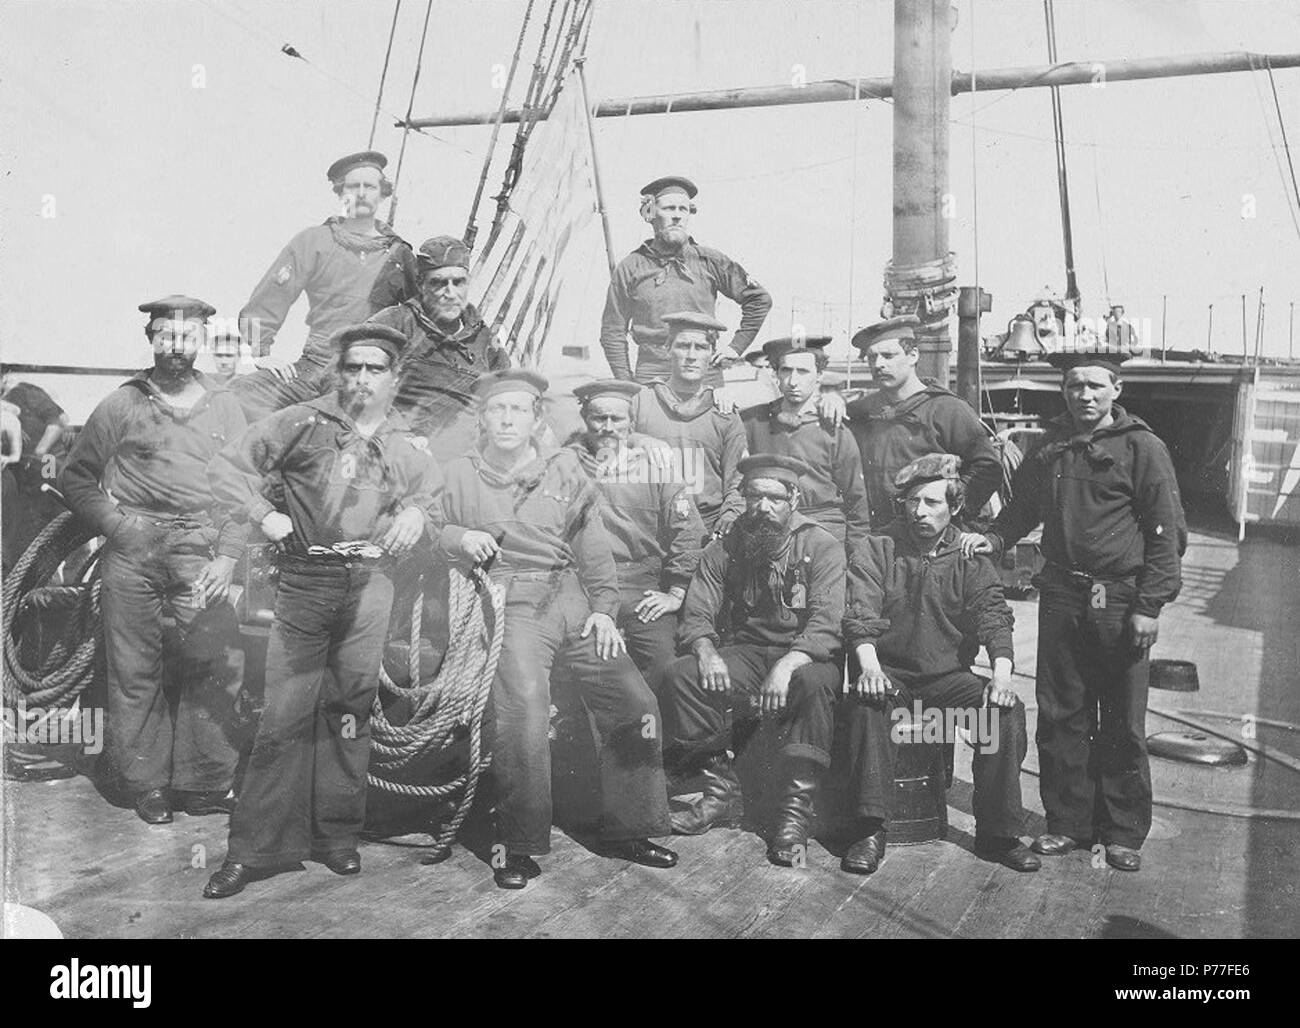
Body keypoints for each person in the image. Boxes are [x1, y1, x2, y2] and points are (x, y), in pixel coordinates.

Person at [203, 323, 444, 898]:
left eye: (374, 369)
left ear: (394, 378)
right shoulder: (301, 422)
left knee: (349, 708)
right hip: (306, 580)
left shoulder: (406, 443)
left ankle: (336, 835)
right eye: (353, 368)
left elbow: (431, 494)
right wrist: (265, 515)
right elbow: (226, 471)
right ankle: (256, 848)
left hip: (370, 585)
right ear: (339, 373)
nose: (362, 379)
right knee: (285, 711)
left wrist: (418, 514)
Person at [440, 368, 677, 889]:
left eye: (517, 410)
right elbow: (429, 525)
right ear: (482, 418)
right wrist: (458, 536)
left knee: (635, 702)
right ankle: (518, 844)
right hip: (511, 600)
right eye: (497, 409)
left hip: (572, 597)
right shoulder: (460, 472)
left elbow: (592, 547)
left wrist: (603, 609)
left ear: (535, 418)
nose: (506, 419)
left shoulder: (563, 469)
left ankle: (630, 827)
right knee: (524, 708)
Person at [962, 358, 1185, 873]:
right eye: (1073, 386)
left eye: (1094, 385)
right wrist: (994, 538)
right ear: (1063, 391)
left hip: (1120, 597)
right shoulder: (1051, 445)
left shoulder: (1142, 448)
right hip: (1063, 592)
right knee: (1062, 710)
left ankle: (1123, 830)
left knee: (1122, 718)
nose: (1083, 395)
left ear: (1116, 388)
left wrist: (1150, 606)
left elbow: (1166, 532)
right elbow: (1022, 509)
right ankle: (1068, 823)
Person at [58, 295, 247, 824]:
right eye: (165, 335)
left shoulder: (226, 407)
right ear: (151, 340)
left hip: (198, 548)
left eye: (186, 337)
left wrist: (228, 557)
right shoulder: (122, 403)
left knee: (216, 660)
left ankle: (205, 782)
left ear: (202, 342)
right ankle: (148, 786)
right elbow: (76, 475)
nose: (176, 346)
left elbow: (244, 488)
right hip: (134, 550)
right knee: (135, 668)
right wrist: (118, 526)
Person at [839, 453, 1038, 876]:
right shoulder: (878, 548)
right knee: (866, 707)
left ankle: (998, 833)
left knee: (1003, 713)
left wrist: (1001, 676)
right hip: (890, 679)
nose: (920, 512)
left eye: (932, 503)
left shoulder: (969, 556)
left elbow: (993, 617)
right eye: (913, 502)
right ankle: (872, 829)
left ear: (955, 507)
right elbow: (860, 613)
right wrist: (870, 668)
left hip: (947, 685)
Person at [660, 454, 846, 867]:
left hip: (805, 656)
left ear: (794, 498)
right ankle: (719, 794)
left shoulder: (822, 545)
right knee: (681, 674)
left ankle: (794, 819)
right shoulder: (725, 546)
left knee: (814, 684)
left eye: (774, 498)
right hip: (747, 652)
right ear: (743, 498)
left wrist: (787, 664)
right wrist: (706, 651)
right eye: (754, 497)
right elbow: (698, 613)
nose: (763, 508)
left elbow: (826, 623)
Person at [231, 150, 414, 421]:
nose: (361, 194)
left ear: (383, 193)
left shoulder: (400, 255)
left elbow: (420, 316)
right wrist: (259, 351)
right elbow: (271, 295)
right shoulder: (315, 241)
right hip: (313, 364)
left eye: (370, 186)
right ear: (341, 193)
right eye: (353, 186)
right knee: (233, 396)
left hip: (365, 369)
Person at [568, 378, 705, 695]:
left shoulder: (655, 467)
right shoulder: (567, 466)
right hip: (583, 586)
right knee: (585, 663)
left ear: (631, 423)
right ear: (585, 421)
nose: (607, 427)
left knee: (664, 665)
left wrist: (677, 592)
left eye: (616, 419)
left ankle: (653, 740)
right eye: (598, 418)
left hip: (642, 585)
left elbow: (688, 531)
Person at [600, 176, 771, 387]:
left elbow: (759, 299)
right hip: (652, 373)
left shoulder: (710, 261)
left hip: (704, 372)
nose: (677, 217)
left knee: (712, 419)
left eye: (683, 210)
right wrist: (626, 384)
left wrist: (736, 347)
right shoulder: (631, 267)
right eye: (669, 209)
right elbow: (612, 331)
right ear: (650, 213)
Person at [847, 315, 1001, 528]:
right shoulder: (862, 411)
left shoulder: (947, 409)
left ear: (912, 355)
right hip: (884, 533)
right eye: (872, 358)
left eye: (888, 355)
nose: (878, 364)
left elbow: (988, 468)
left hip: (937, 533)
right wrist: (831, 400)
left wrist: (952, 508)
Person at [367, 234, 511, 460]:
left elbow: (507, 401)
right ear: (421, 284)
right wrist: (394, 434)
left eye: (458, 282)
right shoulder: (394, 323)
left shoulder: (485, 341)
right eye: (439, 282)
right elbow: (347, 383)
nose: (450, 293)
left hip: (462, 465)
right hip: (398, 458)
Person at [740, 336, 870, 552]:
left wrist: (856, 557)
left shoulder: (834, 428)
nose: (793, 381)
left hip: (823, 531)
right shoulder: (752, 422)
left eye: (803, 371)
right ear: (776, 373)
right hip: (767, 528)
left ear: (819, 376)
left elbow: (857, 501)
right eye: (785, 370)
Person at [629, 311, 748, 538]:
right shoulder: (641, 401)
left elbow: (737, 480)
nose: (691, 356)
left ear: (712, 353)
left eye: (701, 347)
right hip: (649, 526)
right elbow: (610, 444)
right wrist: (639, 439)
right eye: (683, 346)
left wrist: (730, 516)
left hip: (706, 525)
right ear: (667, 349)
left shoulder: (724, 413)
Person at [0, 374, 69, 570]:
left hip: (48, 461)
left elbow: (59, 422)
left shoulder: (24, 391)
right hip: (26, 470)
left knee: (51, 508)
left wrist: (39, 452)